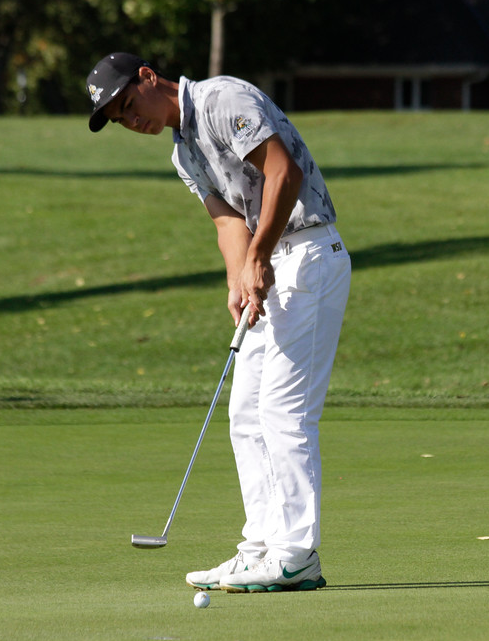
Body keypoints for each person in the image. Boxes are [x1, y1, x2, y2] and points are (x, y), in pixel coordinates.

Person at [85, 53, 351, 593]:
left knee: (282, 410)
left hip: (307, 254)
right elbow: (228, 219)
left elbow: (284, 171)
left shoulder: (221, 99)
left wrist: (259, 256)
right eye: (120, 118)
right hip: (272, 262)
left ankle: (296, 552)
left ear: (148, 78)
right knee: (245, 413)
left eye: (129, 104)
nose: (131, 120)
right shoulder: (183, 153)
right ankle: (262, 547)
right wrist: (239, 277)